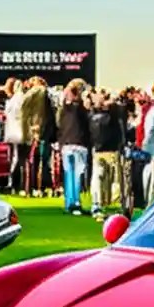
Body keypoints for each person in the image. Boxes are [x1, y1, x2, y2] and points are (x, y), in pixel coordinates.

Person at [88, 89, 124, 218]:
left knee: (111, 180)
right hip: (103, 151)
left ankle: (108, 205)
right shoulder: (94, 115)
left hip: (109, 150)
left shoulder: (111, 114)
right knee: (102, 179)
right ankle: (99, 204)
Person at [56, 83, 90, 215]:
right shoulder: (82, 110)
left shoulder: (64, 110)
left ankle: (69, 202)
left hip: (66, 144)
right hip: (79, 144)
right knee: (77, 175)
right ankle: (75, 202)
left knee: (68, 174)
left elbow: (60, 126)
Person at [2, 77, 28, 195]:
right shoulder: (15, 99)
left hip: (16, 132)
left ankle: (14, 183)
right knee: (15, 158)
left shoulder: (17, 99)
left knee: (16, 158)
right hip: (14, 132)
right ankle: (13, 183)